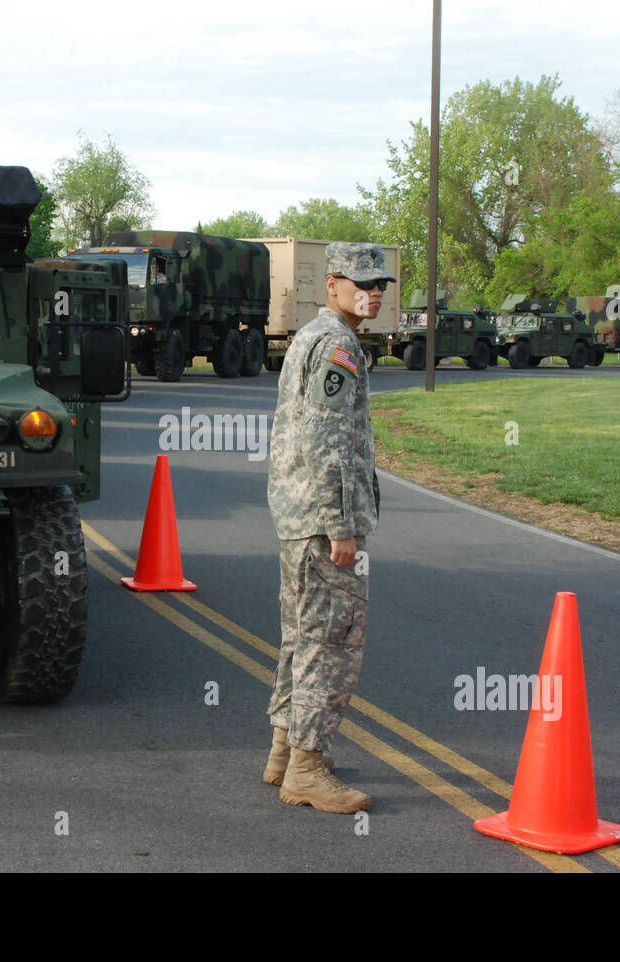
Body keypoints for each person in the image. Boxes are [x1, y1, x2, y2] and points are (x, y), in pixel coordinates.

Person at [264, 241, 391, 813]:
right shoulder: (336, 346)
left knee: (301, 637)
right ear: (331, 285)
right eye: (361, 283)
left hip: (300, 516)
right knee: (330, 643)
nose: (374, 293)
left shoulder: (312, 338)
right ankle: (307, 770)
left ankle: (284, 750)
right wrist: (341, 524)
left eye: (380, 284)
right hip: (321, 521)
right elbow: (328, 443)